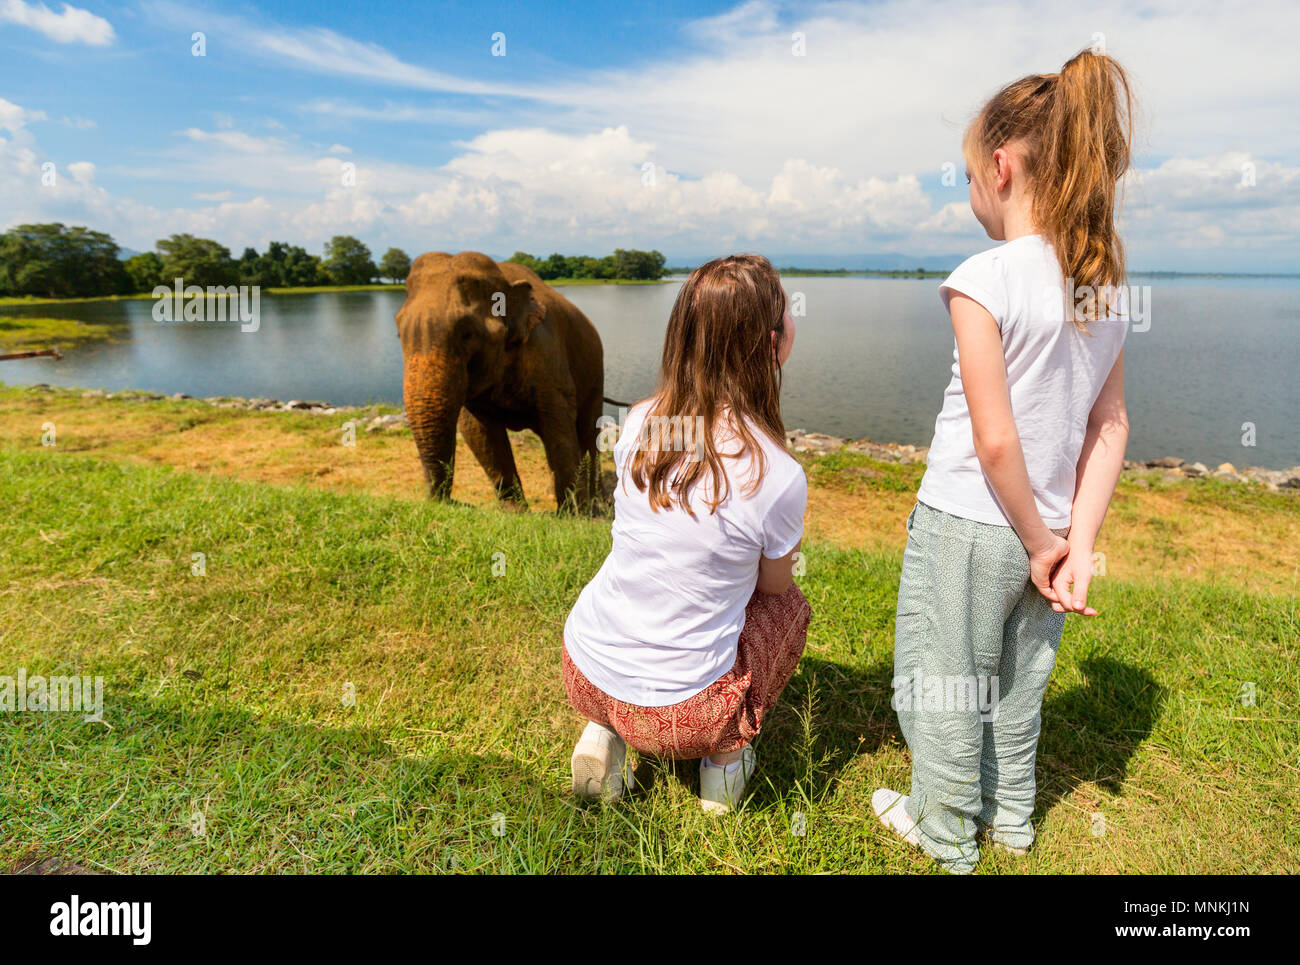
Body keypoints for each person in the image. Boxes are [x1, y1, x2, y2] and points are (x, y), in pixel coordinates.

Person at [873, 49, 1135, 872]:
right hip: (1049, 530)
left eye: (967, 177)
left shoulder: (983, 277)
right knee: (1019, 688)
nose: (971, 194)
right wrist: (1070, 544)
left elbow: (993, 440)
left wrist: (1032, 537)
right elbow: (1111, 426)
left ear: (1001, 166)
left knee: (941, 683)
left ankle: (945, 834)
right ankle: (1012, 819)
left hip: (973, 523)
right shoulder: (1098, 289)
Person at [561, 254, 811, 813]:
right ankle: (722, 766)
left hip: (584, 668)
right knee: (791, 605)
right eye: (788, 313)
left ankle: (602, 734)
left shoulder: (641, 420)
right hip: (683, 720)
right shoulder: (778, 474)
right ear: (773, 344)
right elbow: (772, 588)